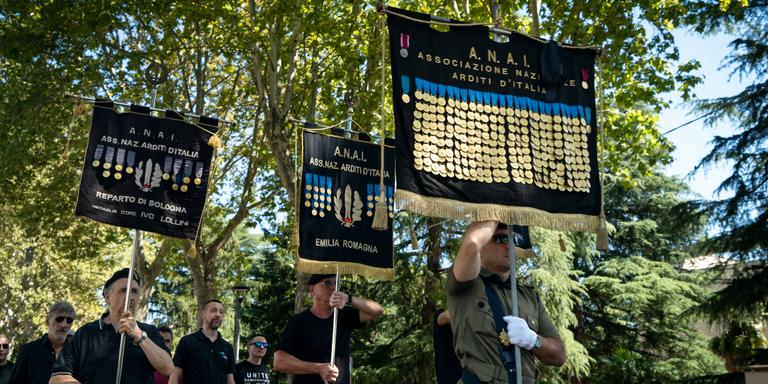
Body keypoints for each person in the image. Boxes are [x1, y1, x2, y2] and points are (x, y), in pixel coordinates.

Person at [448, 221, 566, 384]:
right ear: (482, 248)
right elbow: (471, 244)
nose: (510, 245)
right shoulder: (466, 284)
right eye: (500, 239)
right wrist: (501, 205)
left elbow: (559, 355)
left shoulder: (528, 295)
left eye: (513, 239)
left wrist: (533, 340)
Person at [49, 268, 174, 384]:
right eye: (123, 290)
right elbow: (57, 377)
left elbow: (168, 368)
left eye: (134, 291)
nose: (130, 297)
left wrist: (139, 335)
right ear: (107, 297)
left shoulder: (149, 331)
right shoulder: (86, 333)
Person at [274, 274, 384, 384]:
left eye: (336, 283)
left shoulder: (344, 316)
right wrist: (318, 368)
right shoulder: (299, 322)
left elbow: (377, 311)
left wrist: (348, 298)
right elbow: (279, 362)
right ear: (312, 290)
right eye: (327, 283)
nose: (333, 287)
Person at [170, 300, 235, 384]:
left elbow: (230, 380)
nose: (218, 314)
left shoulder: (228, 347)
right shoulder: (187, 341)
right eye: (213, 310)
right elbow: (175, 376)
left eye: (221, 312)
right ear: (203, 315)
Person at [9, 302, 76, 384]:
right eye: (59, 319)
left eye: (69, 320)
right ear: (47, 321)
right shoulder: (28, 351)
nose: (64, 325)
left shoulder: (78, 353)